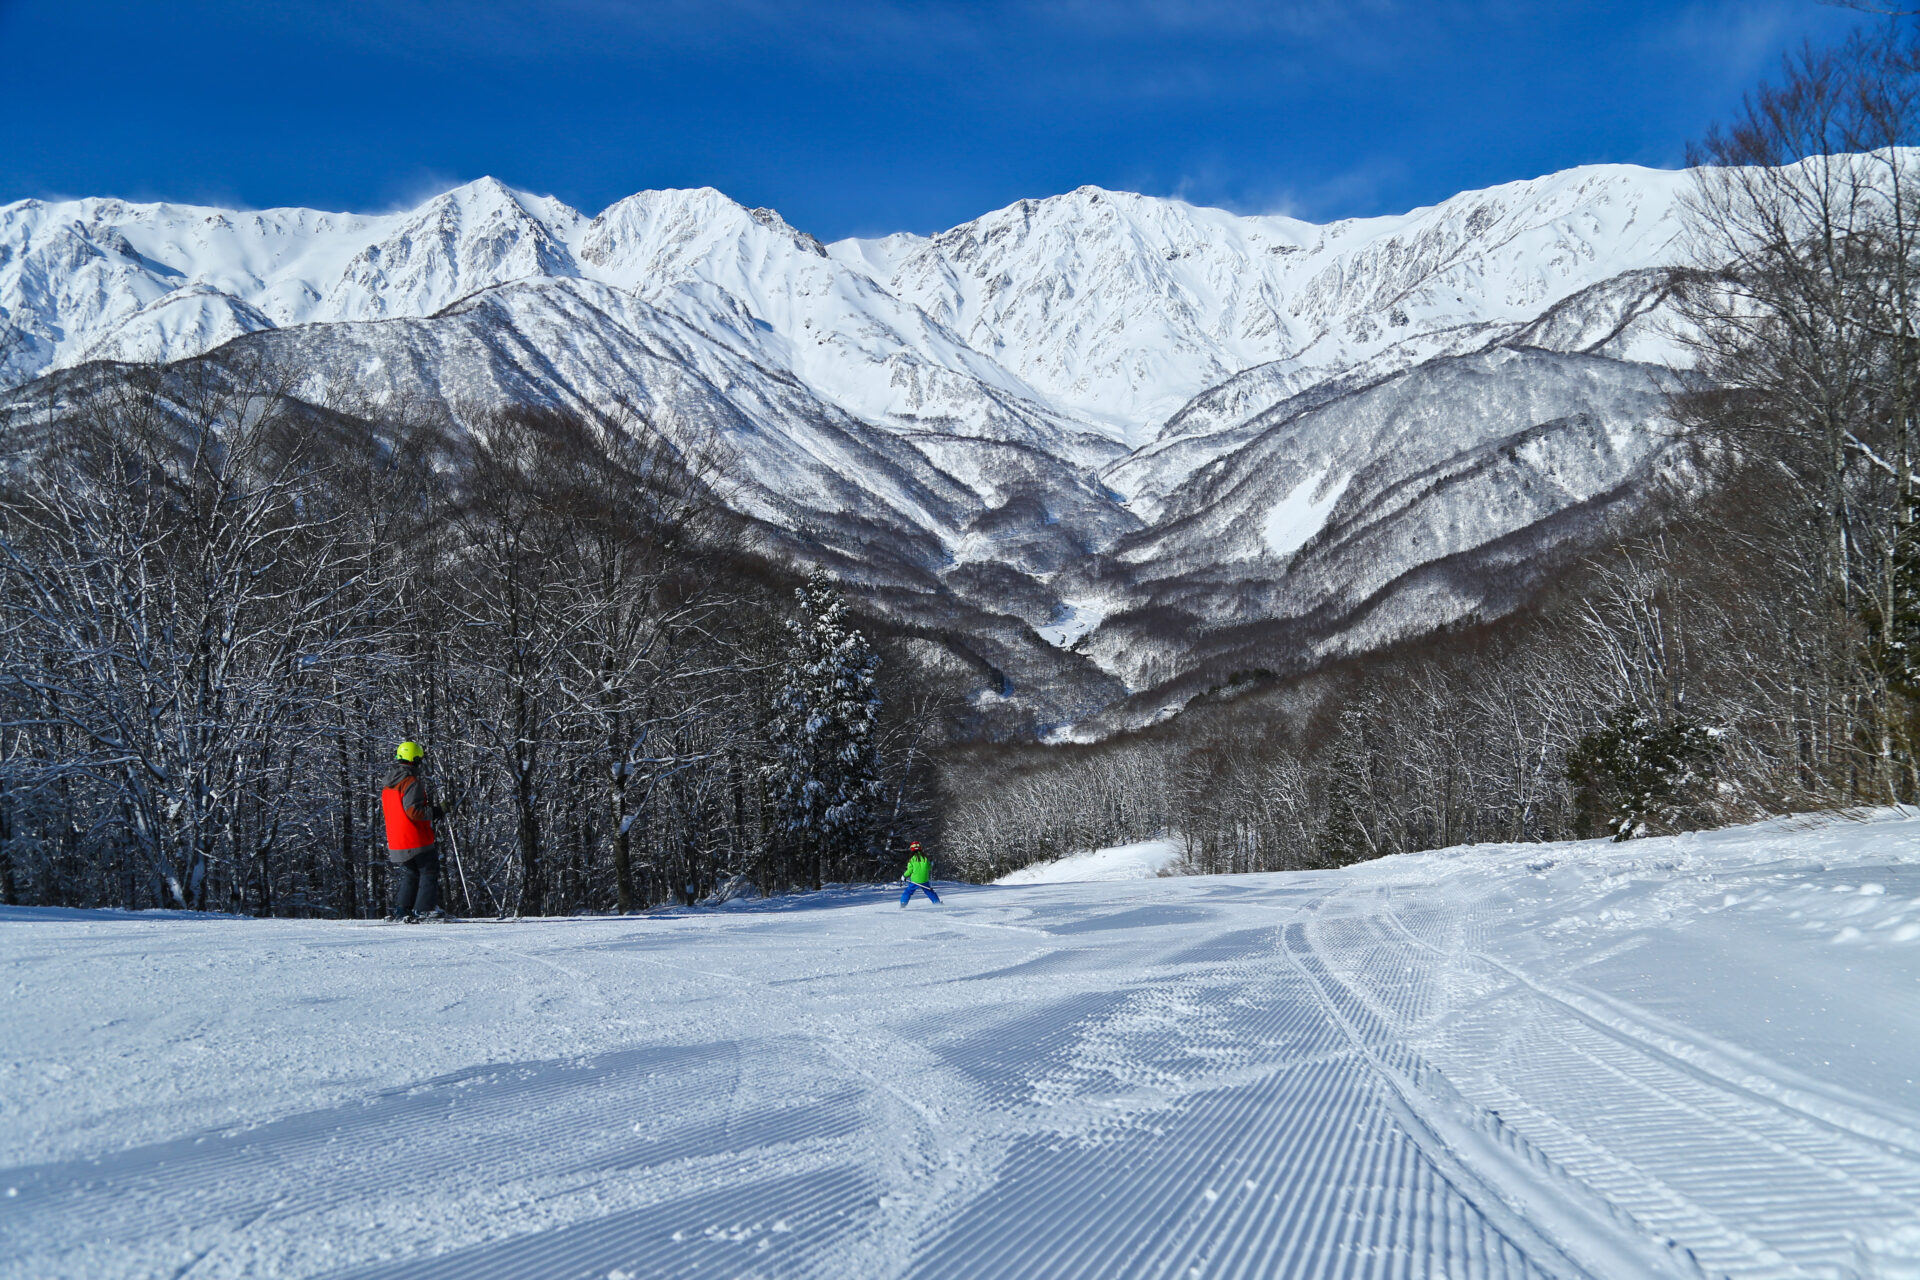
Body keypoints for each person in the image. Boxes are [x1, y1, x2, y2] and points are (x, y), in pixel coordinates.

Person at [383, 741, 446, 922]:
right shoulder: (410, 782)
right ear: (415, 759)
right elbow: (414, 812)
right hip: (414, 837)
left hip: (397, 839)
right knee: (429, 870)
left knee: (412, 872)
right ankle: (424, 909)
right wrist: (437, 811)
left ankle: (403, 910)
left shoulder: (389, 784)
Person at [899, 842, 940, 907]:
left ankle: (903, 904)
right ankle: (937, 903)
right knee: (929, 891)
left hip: (915, 880)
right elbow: (929, 868)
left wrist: (904, 876)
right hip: (924, 880)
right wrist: (931, 864)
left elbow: (909, 871)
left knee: (908, 892)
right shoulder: (925, 858)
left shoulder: (912, 859)